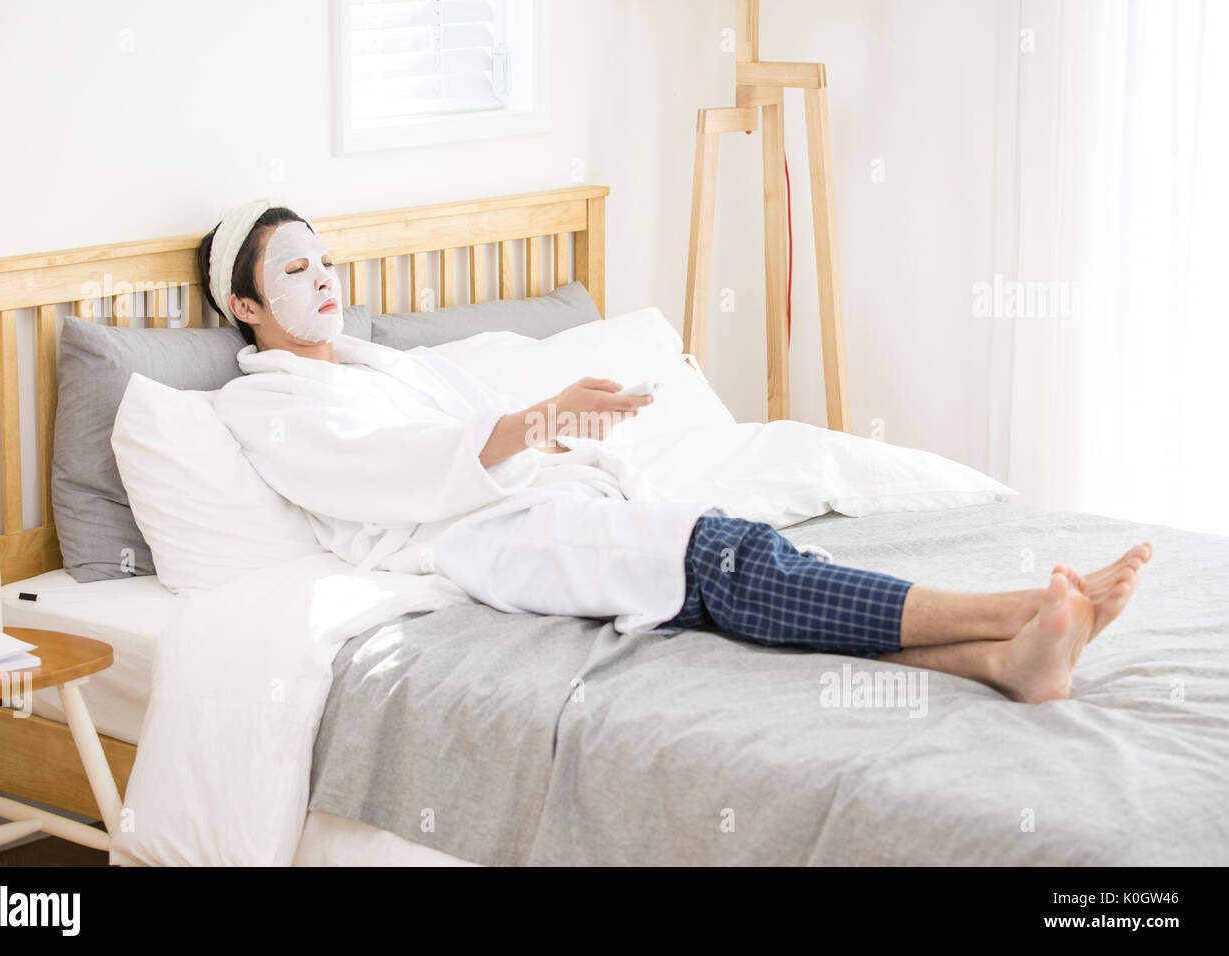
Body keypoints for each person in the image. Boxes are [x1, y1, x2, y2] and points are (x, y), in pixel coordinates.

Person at [199, 201, 1151, 704]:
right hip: (483, 541)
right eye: (293, 269)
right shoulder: (267, 405)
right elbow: (392, 475)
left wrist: (568, 423)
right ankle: (1026, 605)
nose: (322, 279)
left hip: (553, 499)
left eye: (324, 262)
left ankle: (1006, 663)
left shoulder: (378, 361)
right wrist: (544, 422)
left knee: (735, 586)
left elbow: (482, 432)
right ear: (245, 306)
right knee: (730, 557)